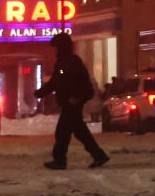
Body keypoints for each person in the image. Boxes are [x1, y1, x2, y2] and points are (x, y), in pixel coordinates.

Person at [36, 33, 109, 170]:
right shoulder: (63, 62)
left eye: (56, 47)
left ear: (61, 47)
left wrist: (76, 97)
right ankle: (98, 155)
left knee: (62, 132)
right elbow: (55, 82)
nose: (54, 50)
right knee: (80, 132)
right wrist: (41, 92)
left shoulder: (72, 62)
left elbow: (80, 83)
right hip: (69, 103)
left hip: (73, 103)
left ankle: (60, 161)